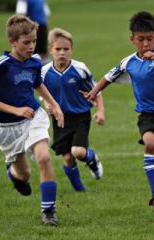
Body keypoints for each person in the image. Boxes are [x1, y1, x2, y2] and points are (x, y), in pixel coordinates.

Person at [84, 11, 154, 218]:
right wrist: (94, 92)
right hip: (147, 114)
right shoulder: (128, 61)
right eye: (141, 39)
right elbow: (108, 77)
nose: (146, 43)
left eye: (150, 39)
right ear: (132, 40)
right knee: (150, 144)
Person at [0, 15, 64, 226]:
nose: (31, 46)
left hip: (33, 118)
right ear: (12, 41)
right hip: (7, 128)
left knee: (44, 158)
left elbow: (38, 85)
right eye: (26, 43)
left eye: (34, 41)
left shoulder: (35, 62)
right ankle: (14, 173)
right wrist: (15, 110)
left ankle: (49, 212)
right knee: (25, 175)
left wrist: (54, 104)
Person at [42, 28, 104, 192]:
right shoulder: (44, 71)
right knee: (67, 158)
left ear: (71, 50)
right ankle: (80, 190)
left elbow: (96, 89)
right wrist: (46, 104)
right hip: (59, 118)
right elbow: (42, 92)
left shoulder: (80, 69)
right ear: (51, 50)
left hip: (80, 116)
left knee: (77, 152)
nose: (62, 53)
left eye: (66, 49)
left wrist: (100, 111)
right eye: (58, 49)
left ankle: (92, 159)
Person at [16, 0, 51, 65]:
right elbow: (45, 16)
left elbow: (21, 14)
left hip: (35, 27)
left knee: (36, 51)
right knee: (38, 51)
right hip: (36, 27)